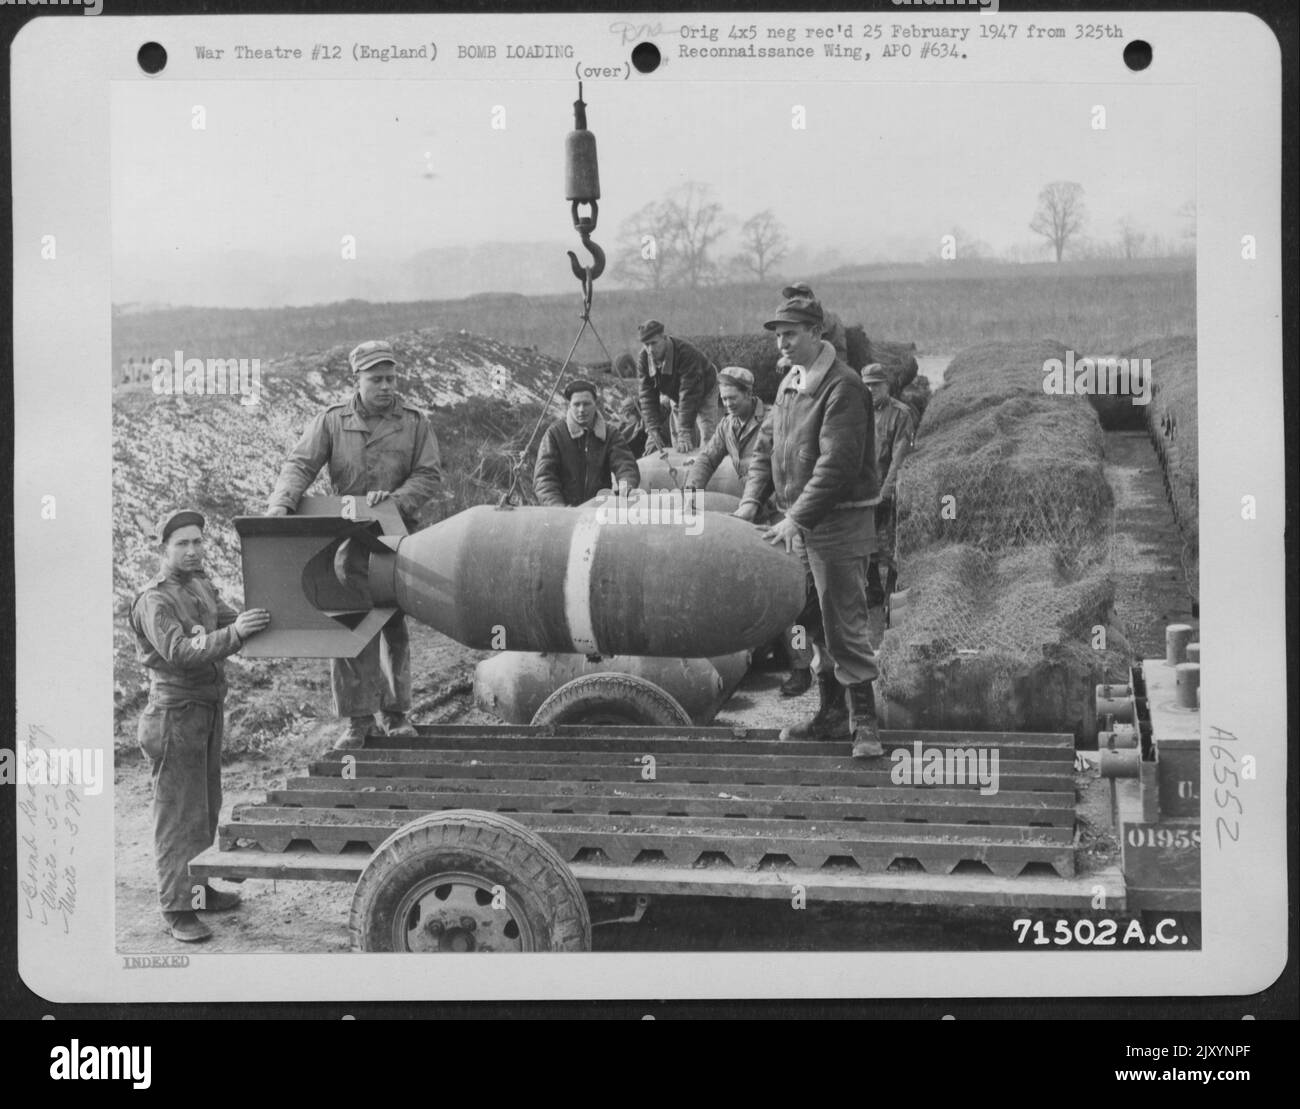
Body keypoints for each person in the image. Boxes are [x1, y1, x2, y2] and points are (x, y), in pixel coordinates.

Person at [266, 339, 443, 750]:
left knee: (392, 625)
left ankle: (397, 713)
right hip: (347, 544)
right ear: (357, 379)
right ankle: (358, 719)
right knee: (350, 627)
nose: (386, 386)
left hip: (396, 541)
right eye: (376, 379)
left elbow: (429, 474)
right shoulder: (331, 422)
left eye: (391, 378)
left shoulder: (415, 423)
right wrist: (282, 502)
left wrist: (396, 500)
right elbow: (300, 464)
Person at [736, 296, 884, 758]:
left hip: (839, 524)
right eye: (777, 334)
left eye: (791, 333)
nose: (781, 341)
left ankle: (866, 727)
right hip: (800, 525)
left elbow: (836, 466)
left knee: (844, 624)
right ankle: (831, 715)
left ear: (816, 332)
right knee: (813, 621)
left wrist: (796, 517)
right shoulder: (789, 383)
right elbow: (766, 450)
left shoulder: (843, 388)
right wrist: (749, 503)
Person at [130, 509, 272, 943]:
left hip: (205, 712)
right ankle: (176, 909)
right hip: (174, 716)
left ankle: (198, 891)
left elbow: (234, 620)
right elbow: (179, 651)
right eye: (182, 544)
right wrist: (236, 636)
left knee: (205, 807)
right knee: (177, 816)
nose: (193, 550)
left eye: (197, 542)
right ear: (163, 549)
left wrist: (268, 619)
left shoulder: (201, 585)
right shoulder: (154, 599)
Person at [533, 379, 640, 506]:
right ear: (569, 406)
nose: (581, 409)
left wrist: (625, 487)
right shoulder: (555, 434)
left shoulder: (610, 434)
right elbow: (544, 478)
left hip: (599, 510)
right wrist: (558, 508)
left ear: (595, 404)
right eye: (576, 404)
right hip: (565, 512)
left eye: (586, 404)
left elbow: (625, 466)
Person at [862, 363, 916, 608]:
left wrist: (886, 490)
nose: (871, 389)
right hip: (864, 490)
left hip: (890, 488)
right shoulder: (856, 412)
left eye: (876, 384)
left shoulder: (900, 414)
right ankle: (873, 588)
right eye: (867, 385)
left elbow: (900, 455)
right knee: (864, 541)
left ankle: (890, 595)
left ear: (887, 385)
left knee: (893, 542)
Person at [635, 319, 721, 453]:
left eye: (654, 343)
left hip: (705, 387)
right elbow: (647, 396)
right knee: (678, 443)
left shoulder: (685, 352)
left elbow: (689, 393)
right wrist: (653, 430)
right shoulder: (644, 359)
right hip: (676, 394)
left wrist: (685, 431)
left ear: (664, 338)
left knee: (708, 435)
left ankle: (708, 468)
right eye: (646, 344)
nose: (650, 349)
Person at [685, 366, 768, 492]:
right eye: (724, 399)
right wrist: (692, 486)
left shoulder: (771, 420)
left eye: (732, 398)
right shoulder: (727, 425)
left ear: (748, 394)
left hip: (774, 499)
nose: (728, 404)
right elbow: (707, 458)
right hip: (749, 496)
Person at [781, 282, 848, 361]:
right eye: (791, 298)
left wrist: (786, 360)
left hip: (832, 362)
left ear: (809, 298)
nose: (792, 301)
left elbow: (811, 345)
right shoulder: (809, 316)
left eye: (797, 297)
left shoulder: (822, 316)